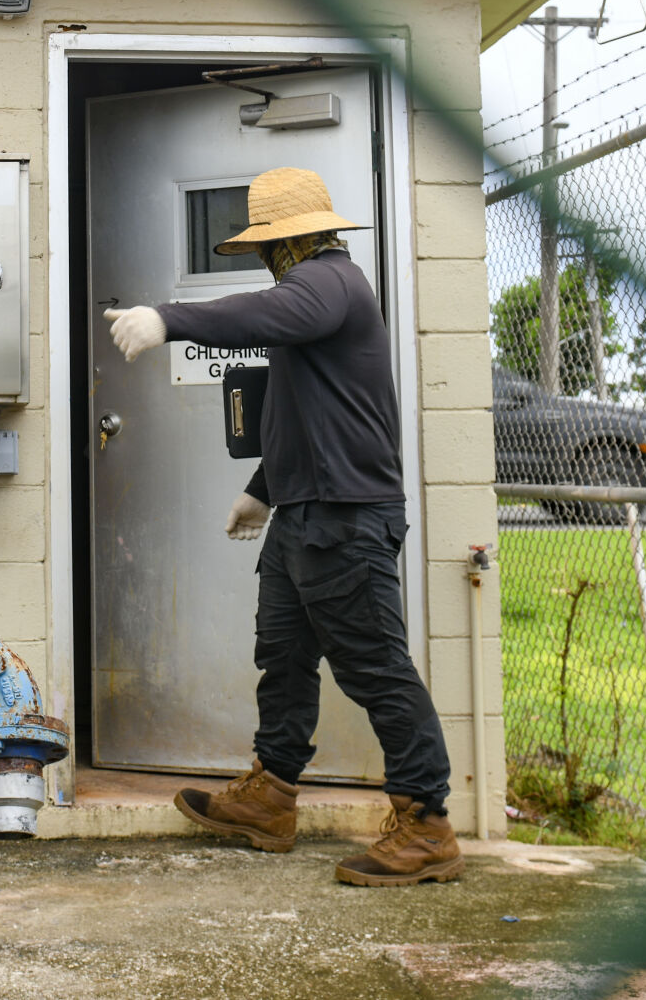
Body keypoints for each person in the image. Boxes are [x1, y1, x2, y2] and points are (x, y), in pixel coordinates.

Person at [102, 166, 460, 887]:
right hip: (303, 514)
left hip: (346, 518)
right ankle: (271, 795)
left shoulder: (330, 282)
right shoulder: (308, 298)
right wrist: (261, 491)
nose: (264, 258)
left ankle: (425, 824)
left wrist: (168, 318)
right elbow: (304, 411)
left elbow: (266, 316)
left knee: (373, 667)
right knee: (284, 654)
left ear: (290, 239)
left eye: (267, 244)